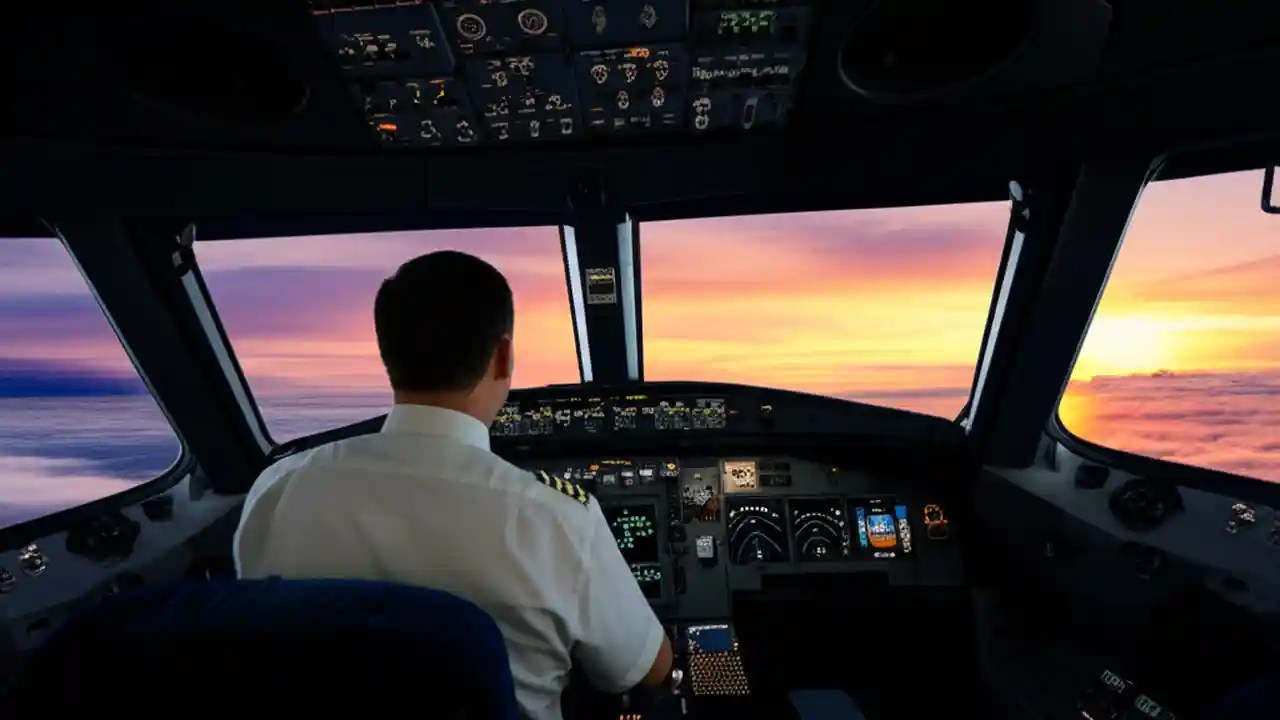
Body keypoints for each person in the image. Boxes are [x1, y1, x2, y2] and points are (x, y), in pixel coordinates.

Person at [234, 250, 672, 719]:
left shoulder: (278, 491)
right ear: (504, 355)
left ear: (388, 354)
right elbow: (645, 669)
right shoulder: (556, 520)